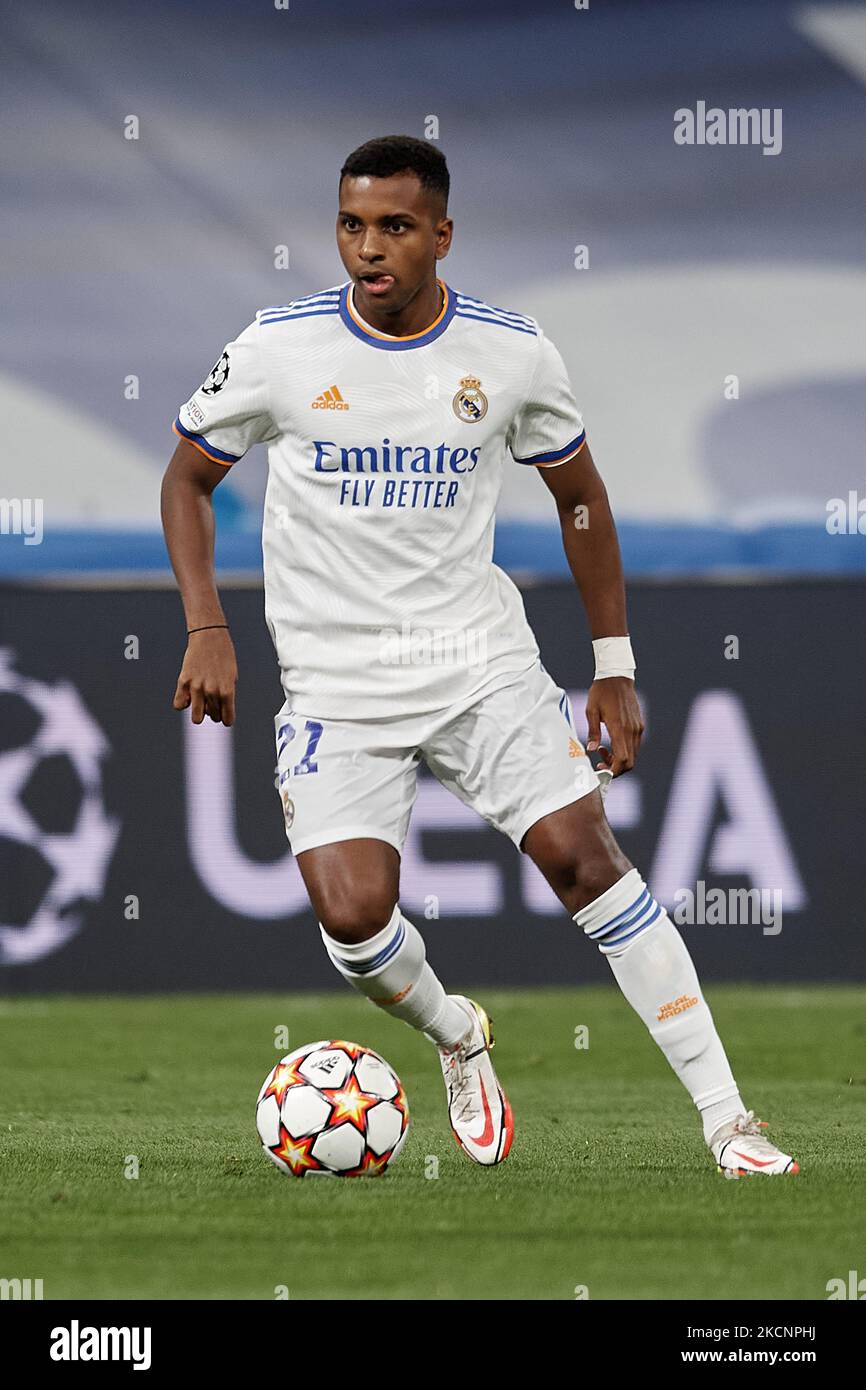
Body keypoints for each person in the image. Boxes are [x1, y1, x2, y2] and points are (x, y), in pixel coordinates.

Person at [161, 134, 797, 1179]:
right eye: (351, 225)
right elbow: (184, 481)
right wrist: (205, 624)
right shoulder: (278, 348)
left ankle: (728, 1122)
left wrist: (614, 661)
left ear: (441, 234)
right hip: (336, 682)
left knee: (585, 860)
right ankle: (456, 1032)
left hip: (478, 664)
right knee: (355, 918)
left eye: (395, 227)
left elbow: (579, 498)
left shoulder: (510, 354)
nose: (369, 249)